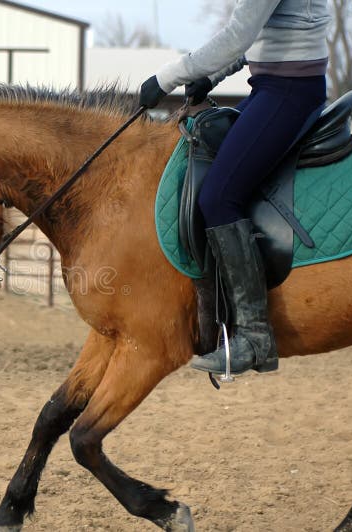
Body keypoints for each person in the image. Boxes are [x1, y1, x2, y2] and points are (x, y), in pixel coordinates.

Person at [139, 0, 330, 375]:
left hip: (289, 89)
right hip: (273, 85)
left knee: (219, 197)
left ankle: (255, 336)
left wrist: (166, 78)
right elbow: (256, 34)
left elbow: (238, 35)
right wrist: (212, 76)